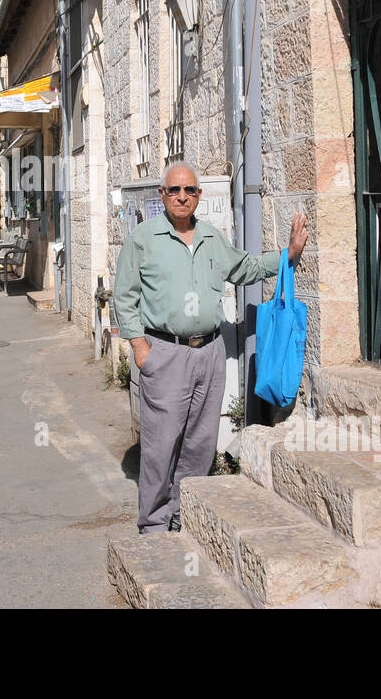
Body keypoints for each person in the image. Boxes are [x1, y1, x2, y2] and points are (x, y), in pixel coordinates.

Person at [114, 160, 308, 534]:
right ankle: (154, 525)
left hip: (210, 352)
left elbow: (246, 268)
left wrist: (288, 254)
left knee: (200, 441)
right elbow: (125, 297)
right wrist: (139, 348)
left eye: (189, 190)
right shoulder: (143, 239)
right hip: (165, 353)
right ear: (163, 195)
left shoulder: (211, 238)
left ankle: (184, 516)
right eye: (175, 190)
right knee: (160, 443)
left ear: (199, 196)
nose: (182, 197)